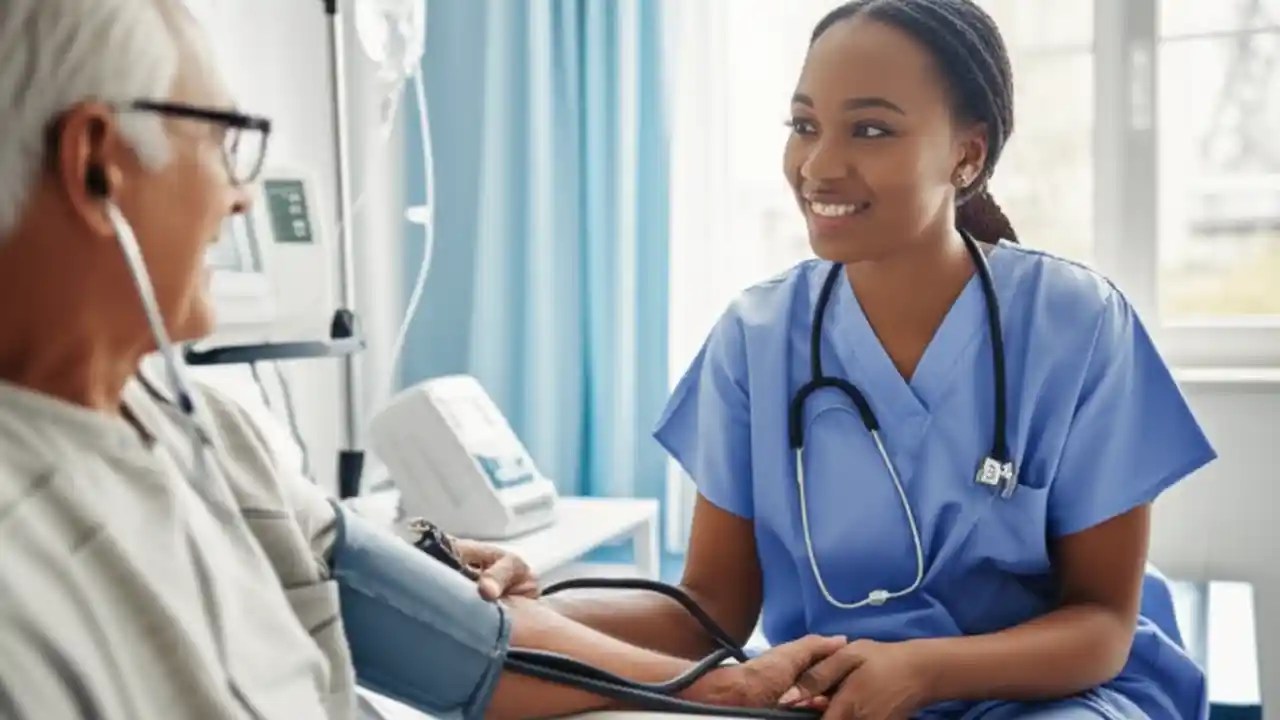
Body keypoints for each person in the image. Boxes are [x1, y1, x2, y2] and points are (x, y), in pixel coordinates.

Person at [0, 0, 847, 718]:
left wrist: (724, 690)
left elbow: (463, 639)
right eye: (224, 141)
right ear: (97, 163)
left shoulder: (208, 429)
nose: (241, 194)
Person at [544, 1, 1218, 718]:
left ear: (968, 154)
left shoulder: (1076, 324)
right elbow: (711, 609)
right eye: (804, 126)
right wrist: (531, 602)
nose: (819, 165)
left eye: (871, 130)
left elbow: (1102, 625)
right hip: (840, 702)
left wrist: (923, 670)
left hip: (1056, 695)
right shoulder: (757, 337)